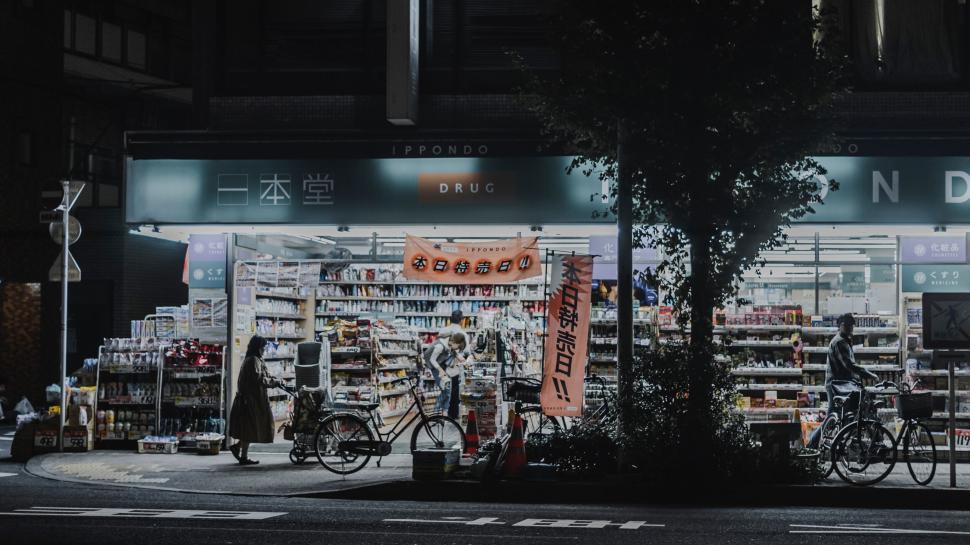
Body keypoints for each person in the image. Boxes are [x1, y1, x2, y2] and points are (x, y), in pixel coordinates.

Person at [229, 335, 281, 465]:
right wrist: (273, 382)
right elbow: (259, 379)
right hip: (250, 401)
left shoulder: (254, 359)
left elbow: (264, 376)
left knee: (250, 427)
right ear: (258, 347)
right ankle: (242, 455)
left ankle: (239, 450)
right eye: (263, 346)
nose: (264, 349)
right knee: (251, 427)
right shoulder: (253, 360)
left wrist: (275, 379)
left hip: (251, 399)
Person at [424, 333, 466, 418]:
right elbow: (432, 360)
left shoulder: (450, 344)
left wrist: (461, 358)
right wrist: (440, 370)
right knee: (446, 390)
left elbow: (454, 352)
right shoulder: (440, 346)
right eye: (458, 347)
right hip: (435, 367)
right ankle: (438, 413)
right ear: (454, 342)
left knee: (447, 390)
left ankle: (441, 412)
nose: (457, 349)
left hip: (441, 366)